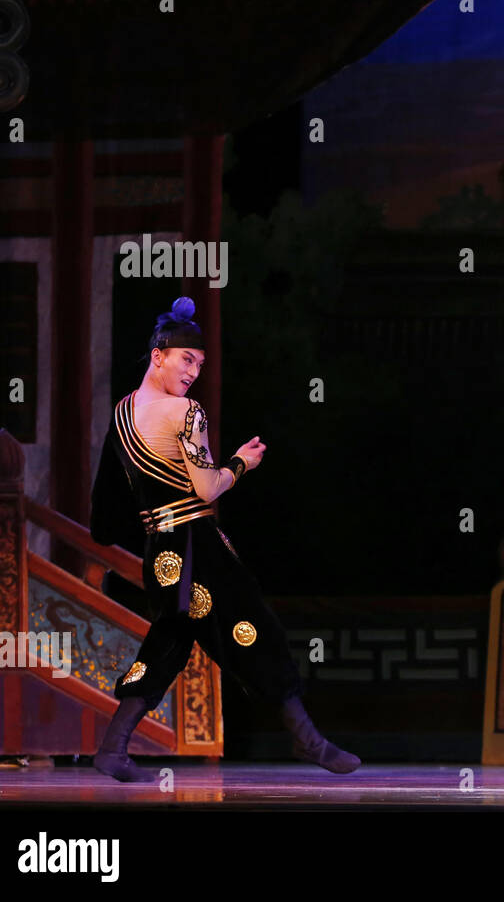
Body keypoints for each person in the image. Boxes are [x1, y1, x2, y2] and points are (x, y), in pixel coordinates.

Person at [87, 296, 362, 781]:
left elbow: (110, 497)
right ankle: (308, 740)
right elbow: (207, 487)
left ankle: (113, 748)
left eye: (200, 363)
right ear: (158, 355)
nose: (193, 371)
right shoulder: (185, 412)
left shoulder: (122, 412)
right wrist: (241, 463)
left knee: (169, 642)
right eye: (186, 359)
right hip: (197, 547)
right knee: (257, 629)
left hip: (160, 552)